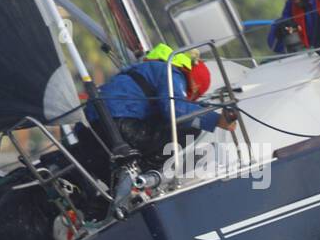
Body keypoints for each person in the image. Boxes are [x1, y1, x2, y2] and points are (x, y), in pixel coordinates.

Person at [76, 43, 235, 181]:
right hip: (121, 126)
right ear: (192, 83)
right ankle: (146, 172)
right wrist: (215, 120)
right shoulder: (171, 73)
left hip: (93, 129)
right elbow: (176, 110)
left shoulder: (142, 70)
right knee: (190, 125)